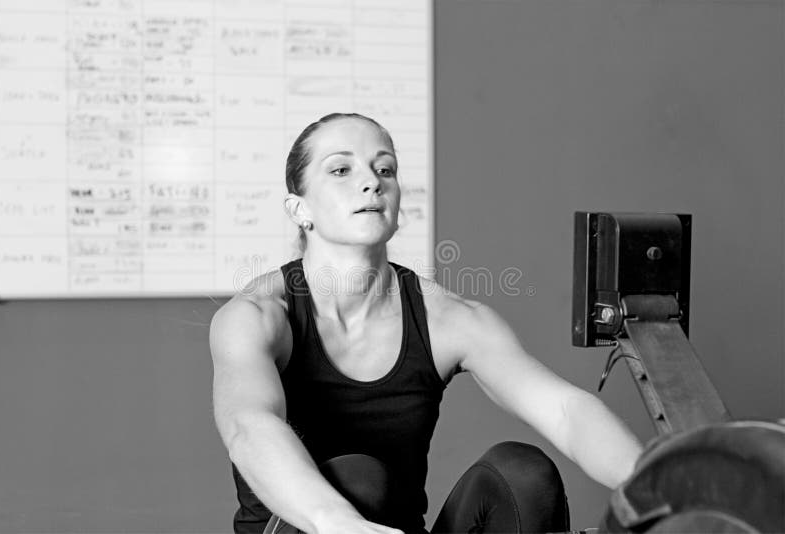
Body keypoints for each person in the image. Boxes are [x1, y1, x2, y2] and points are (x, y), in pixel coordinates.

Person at [209, 113, 643, 534]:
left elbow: (566, 412)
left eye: (385, 169)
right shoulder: (257, 315)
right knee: (359, 477)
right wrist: (335, 521)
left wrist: (662, 485)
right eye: (341, 169)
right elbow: (249, 426)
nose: (372, 181)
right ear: (299, 209)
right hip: (311, 527)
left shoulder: (449, 319)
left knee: (523, 472)